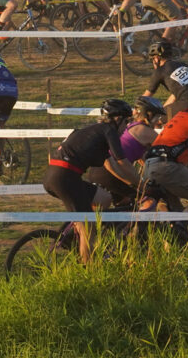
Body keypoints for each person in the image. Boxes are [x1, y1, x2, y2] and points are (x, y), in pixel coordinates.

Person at [43, 98, 133, 262]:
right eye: (126, 122)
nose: (126, 127)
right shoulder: (109, 130)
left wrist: (131, 183)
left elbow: (111, 165)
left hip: (57, 176)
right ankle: (88, 267)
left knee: (104, 198)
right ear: (118, 118)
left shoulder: (95, 131)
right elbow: (122, 162)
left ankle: (80, 236)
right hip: (65, 179)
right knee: (88, 227)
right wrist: (141, 182)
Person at [86, 96, 165, 208]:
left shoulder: (131, 127)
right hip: (112, 173)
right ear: (149, 115)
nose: (159, 120)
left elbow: (142, 159)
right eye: (158, 116)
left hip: (97, 171)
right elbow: (168, 147)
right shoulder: (146, 131)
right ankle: (144, 221)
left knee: (124, 207)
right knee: (149, 199)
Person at [142, 39, 188, 117]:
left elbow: (145, 98)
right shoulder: (182, 65)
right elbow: (175, 95)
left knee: (157, 119)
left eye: (152, 60)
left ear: (156, 59)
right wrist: (162, 110)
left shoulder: (160, 71)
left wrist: (134, 114)